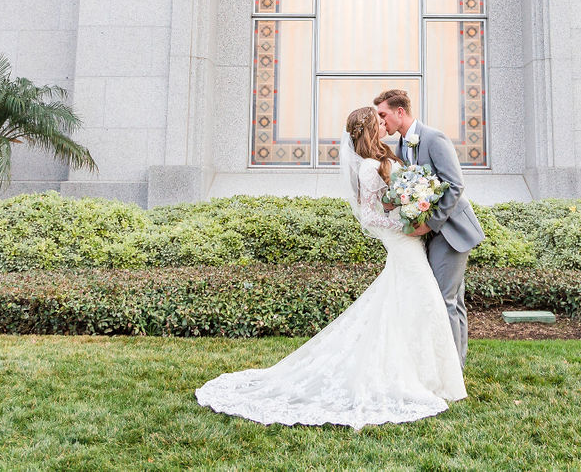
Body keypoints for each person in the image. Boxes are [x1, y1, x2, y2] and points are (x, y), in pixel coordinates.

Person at [195, 106, 465, 429]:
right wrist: (403, 222)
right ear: (367, 129)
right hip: (402, 242)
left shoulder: (385, 158)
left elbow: (392, 199)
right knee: (426, 303)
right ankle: (426, 379)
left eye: (383, 118)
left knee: (414, 306)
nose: (382, 124)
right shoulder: (368, 168)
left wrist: (410, 208)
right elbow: (370, 217)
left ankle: (425, 376)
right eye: (377, 121)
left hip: (411, 244)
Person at [374, 87, 484, 366]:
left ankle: (451, 368)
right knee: (451, 299)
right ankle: (454, 362)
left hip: (451, 230)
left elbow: (455, 184)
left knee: (444, 299)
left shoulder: (434, 138)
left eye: (384, 114)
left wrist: (430, 224)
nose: (381, 121)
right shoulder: (399, 147)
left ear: (400, 112)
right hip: (430, 233)